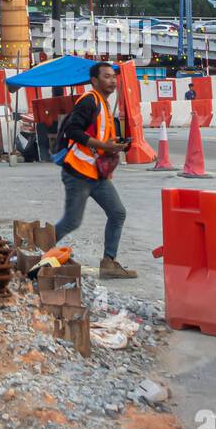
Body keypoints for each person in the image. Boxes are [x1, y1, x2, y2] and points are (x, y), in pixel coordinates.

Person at [54, 61, 136, 278]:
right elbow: (72, 130)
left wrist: (114, 144)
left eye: (113, 76)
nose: (112, 80)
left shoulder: (104, 104)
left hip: (96, 174)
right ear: (94, 81)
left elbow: (99, 135)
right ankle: (35, 249)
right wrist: (104, 146)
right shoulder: (89, 101)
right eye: (107, 77)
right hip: (78, 173)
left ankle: (109, 263)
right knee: (72, 221)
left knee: (117, 213)